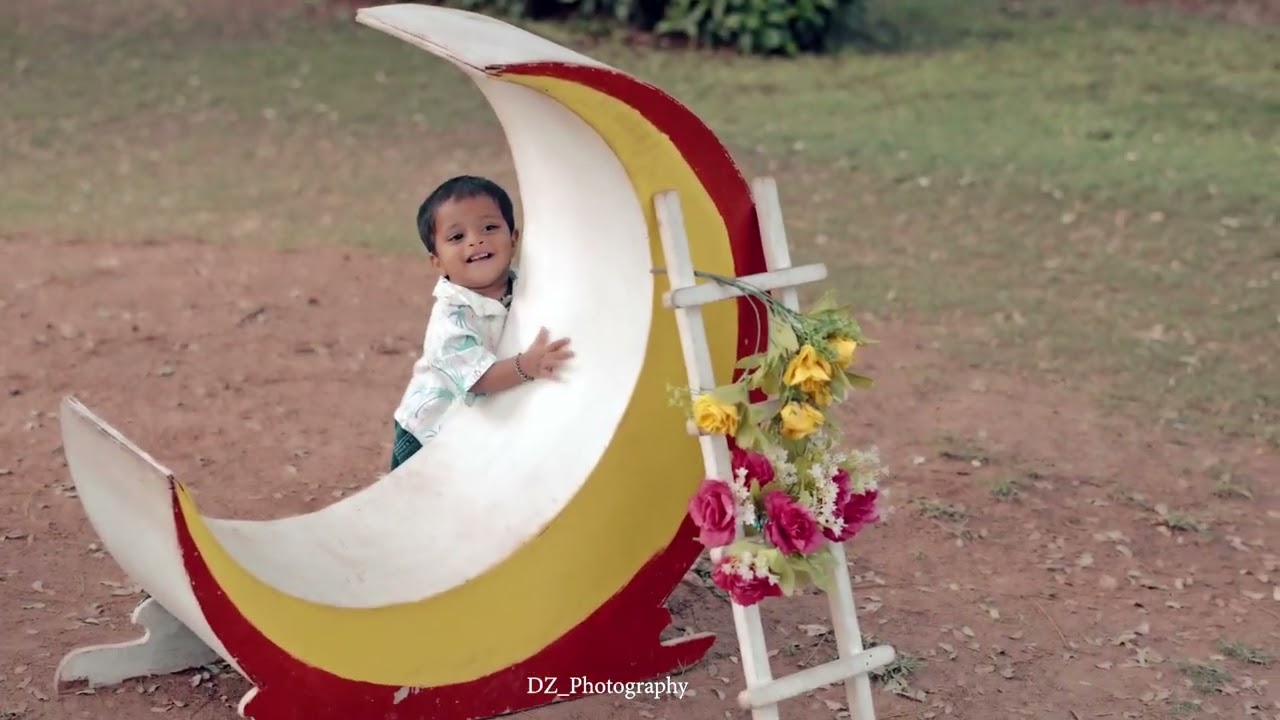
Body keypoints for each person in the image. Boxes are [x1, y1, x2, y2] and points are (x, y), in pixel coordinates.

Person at [390, 175, 573, 471]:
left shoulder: (527, 286)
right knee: (424, 509)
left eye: (489, 228)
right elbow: (477, 380)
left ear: (513, 239)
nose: (476, 240)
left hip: (477, 430)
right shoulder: (451, 319)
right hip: (429, 433)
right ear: (437, 261)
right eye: (456, 237)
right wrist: (527, 365)